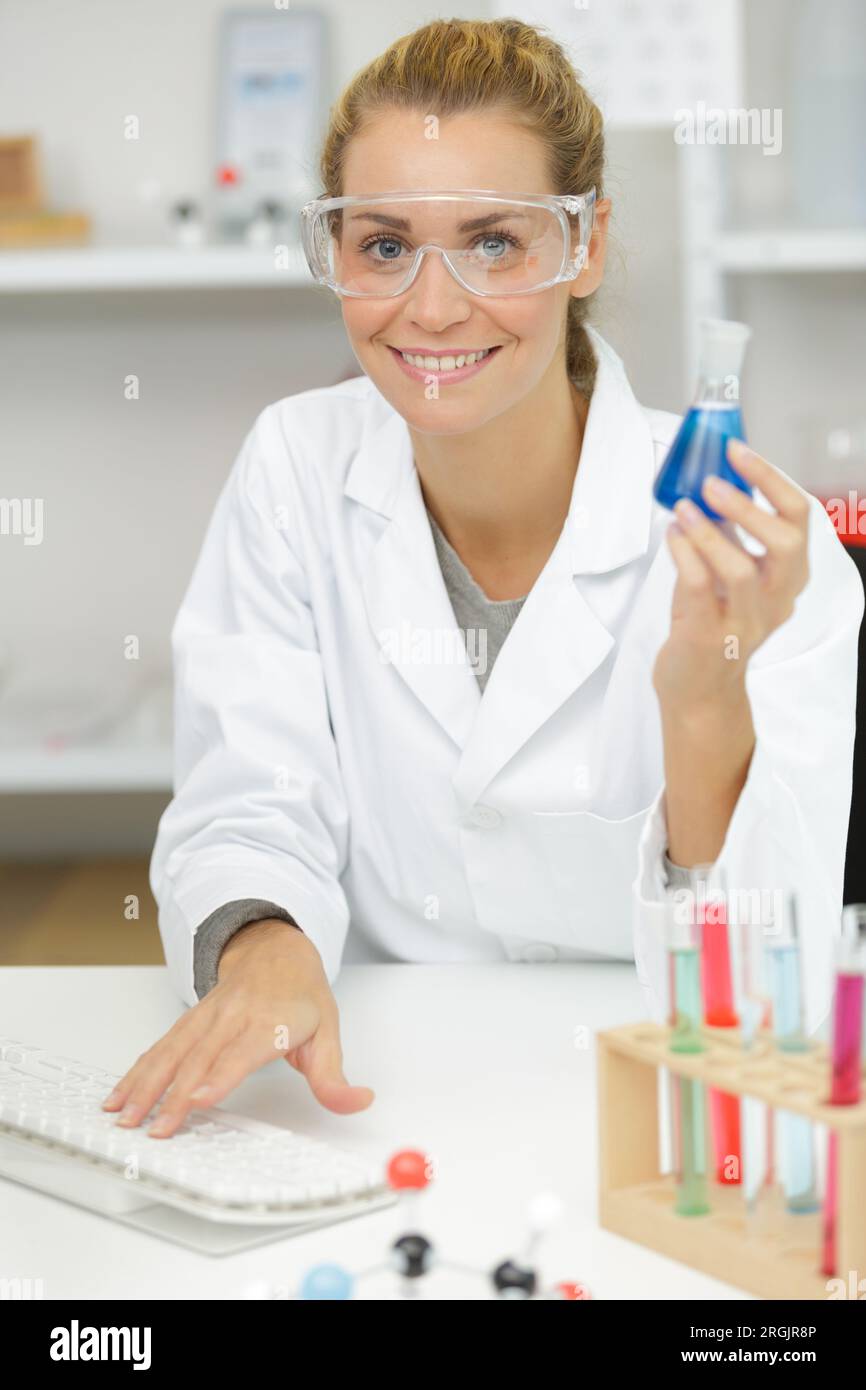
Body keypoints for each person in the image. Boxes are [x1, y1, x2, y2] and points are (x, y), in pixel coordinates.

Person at [103, 18, 862, 1138]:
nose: (432, 306)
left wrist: (703, 707)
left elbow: (765, 998)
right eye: (384, 246)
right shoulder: (295, 465)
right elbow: (246, 797)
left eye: (494, 242)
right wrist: (265, 948)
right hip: (370, 1097)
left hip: (655, 1116)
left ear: (585, 244)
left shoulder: (753, 547)